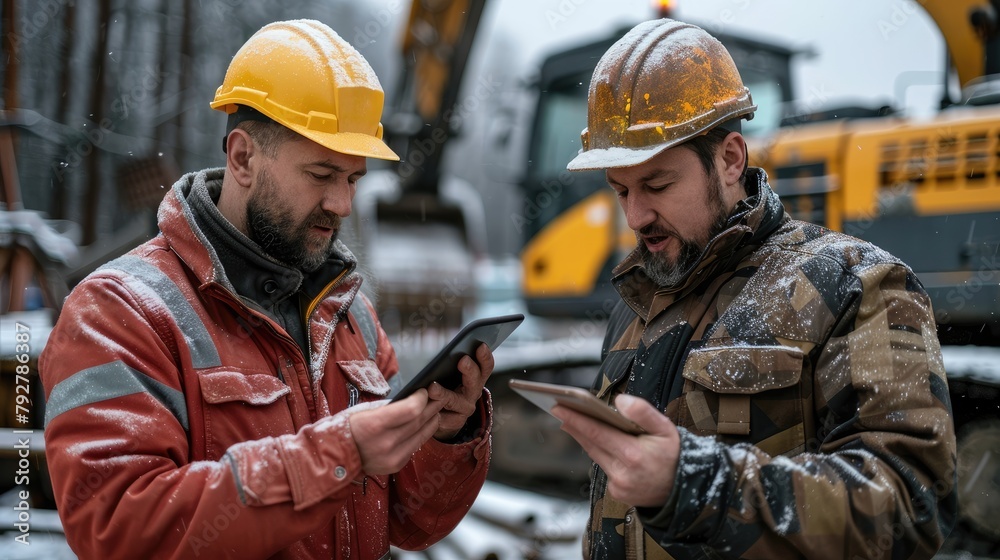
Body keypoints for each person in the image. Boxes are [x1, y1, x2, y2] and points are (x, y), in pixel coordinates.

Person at [39, 19, 494, 559]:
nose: (342, 205)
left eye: (353, 179)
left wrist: (446, 435)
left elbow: (410, 521)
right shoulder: (118, 311)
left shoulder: (351, 316)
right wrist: (336, 454)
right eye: (322, 174)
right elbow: (117, 529)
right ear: (243, 158)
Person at [552, 19, 957, 559]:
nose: (635, 214)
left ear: (729, 160)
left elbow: (910, 503)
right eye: (620, 190)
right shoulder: (638, 305)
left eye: (657, 184)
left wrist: (697, 488)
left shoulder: (854, 285)